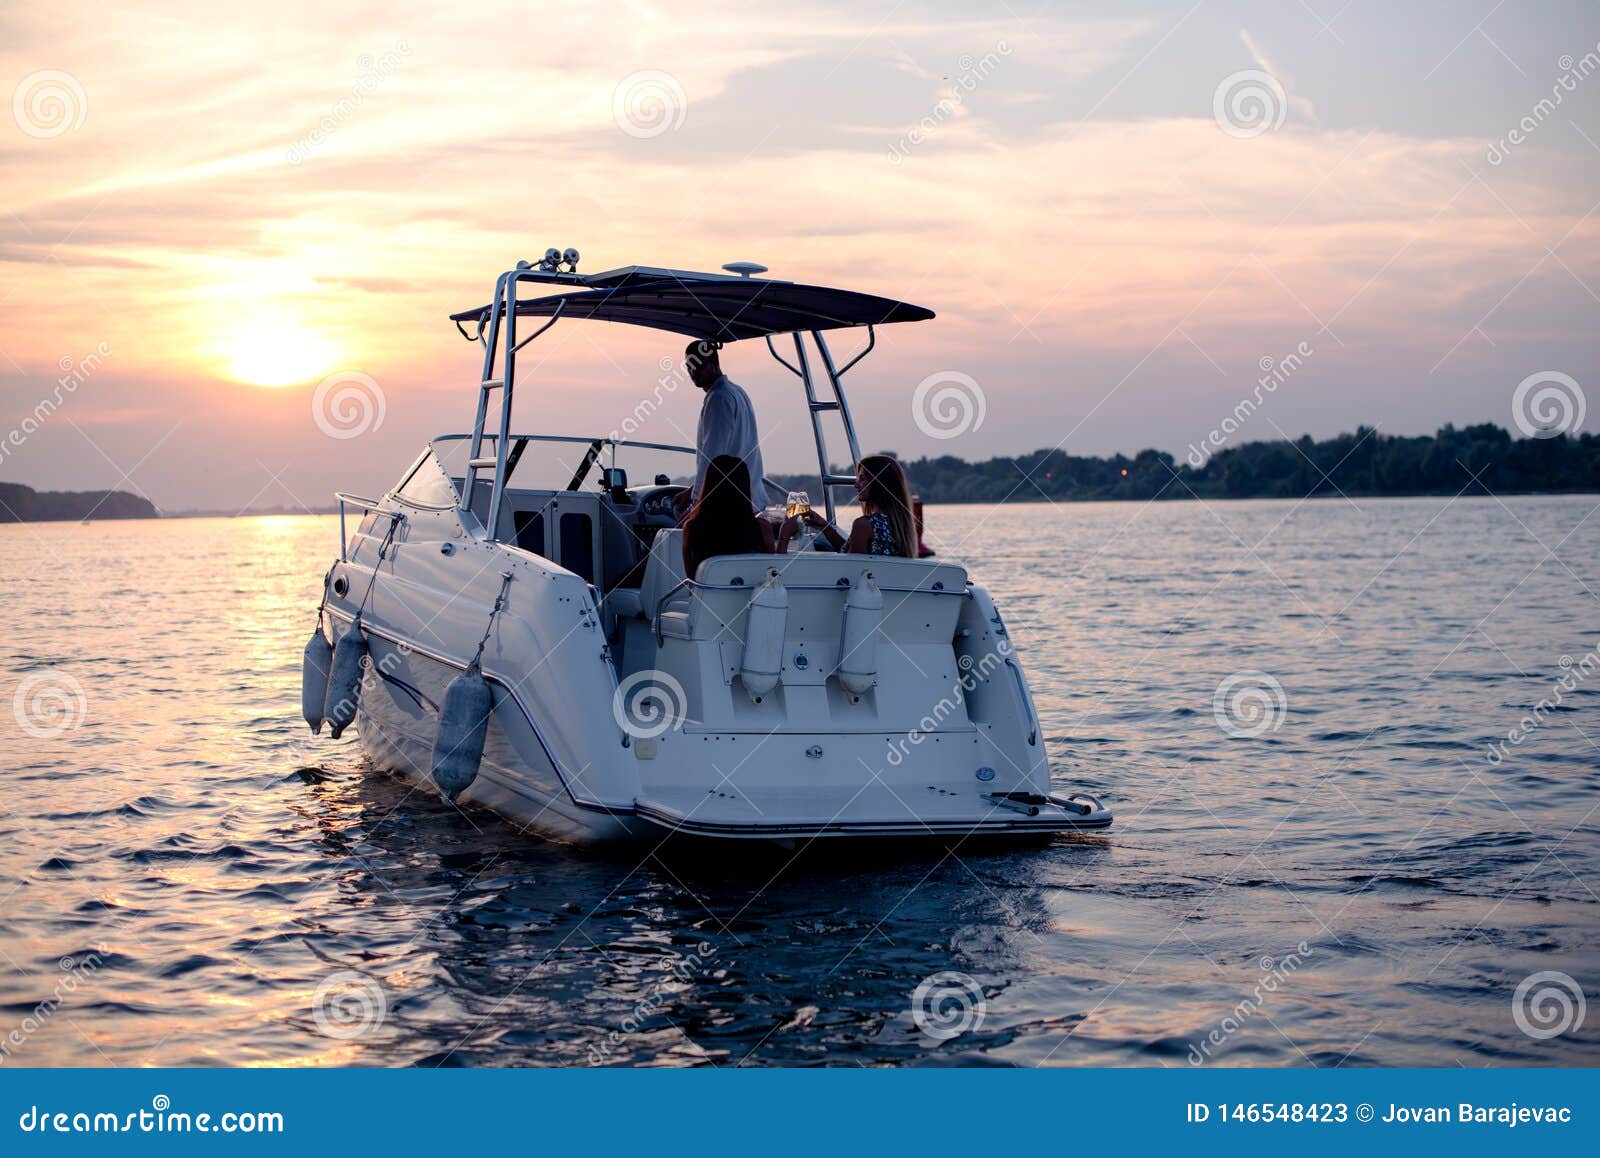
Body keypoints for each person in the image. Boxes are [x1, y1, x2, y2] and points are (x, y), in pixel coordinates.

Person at [684, 339, 770, 515]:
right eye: (689, 366)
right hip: (750, 498)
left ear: (714, 363)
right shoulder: (737, 392)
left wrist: (696, 503)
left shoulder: (719, 399)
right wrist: (691, 490)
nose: (693, 371)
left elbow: (712, 457)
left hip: (731, 506)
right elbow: (731, 449)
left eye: (699, 364)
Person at [778, 454, 917, 557]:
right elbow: (850, 554)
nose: (856, 485)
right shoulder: (901, 525)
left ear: (880, 484)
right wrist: (826, 528)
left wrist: (784, 536)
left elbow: (849, 569)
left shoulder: (863, 525)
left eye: (862, 479)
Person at [682, 455, 776, 579]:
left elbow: (692, 578)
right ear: (744, 487)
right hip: (752, 592)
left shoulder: (691, 528)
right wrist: (784, 538)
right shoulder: (762, 528)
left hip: (707, 592)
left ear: (708, 486)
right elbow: (773, 572)